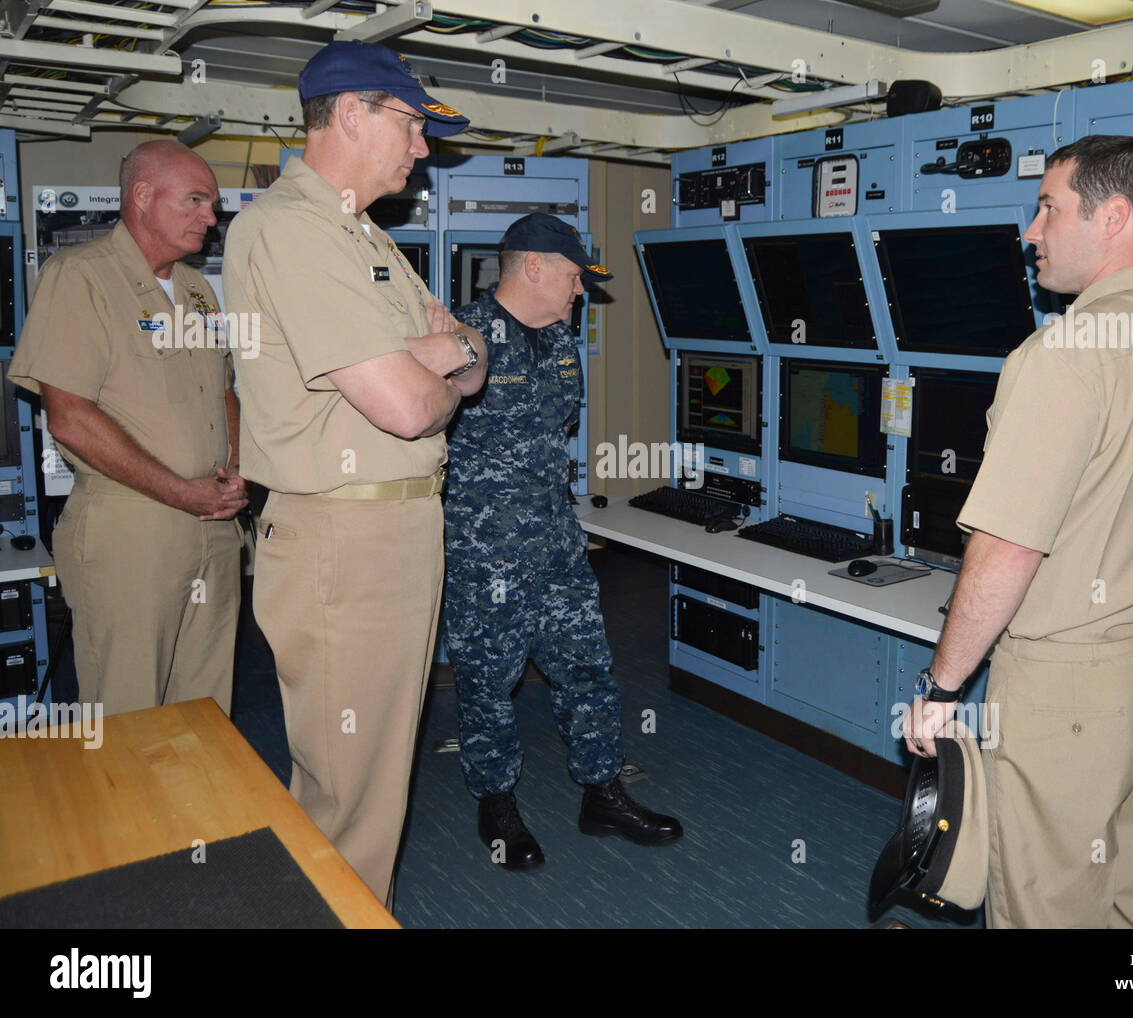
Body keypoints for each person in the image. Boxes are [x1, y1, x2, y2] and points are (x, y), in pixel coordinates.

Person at [901, 137, 1133, 928]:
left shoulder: (1061, 356)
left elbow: (1009, 545)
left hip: (1070, 693)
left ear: (1112, 218)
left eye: (1049, 207)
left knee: (1049, 905)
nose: (1031, 231)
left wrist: (940, 690)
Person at [221, 40, 485, 905]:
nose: (423, 149)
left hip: (394, 528)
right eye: (412, 125)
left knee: (373, 781)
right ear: (349, 113)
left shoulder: (361, 235)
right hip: (345, 535)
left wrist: (434, 355)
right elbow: (409, 407)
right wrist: (428, 362)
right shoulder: (292, 230)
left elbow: (471, 361)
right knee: (350, 800)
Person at [444, 213, 682, 870]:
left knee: (588, 667)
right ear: (535, 267)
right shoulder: (462, 336)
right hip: (484, 546)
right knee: (488, 682)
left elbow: (552, 438)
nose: (581, 291)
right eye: (576, 277)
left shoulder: (558, 341)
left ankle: (602, 792)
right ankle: (497, 807)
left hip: (555, 540)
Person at [9, 139, 247, 717]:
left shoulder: (197, 290)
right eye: (195, 200)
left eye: (212, 204)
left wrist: (238, 471)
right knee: (129, 712)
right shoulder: (81, 278)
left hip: (213, 527)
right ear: (142, 197)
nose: (210, 218)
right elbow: (69, 419)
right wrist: (180, 492)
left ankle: (195, 811)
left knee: (205, 708)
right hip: (132, 530)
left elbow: (223, 390)